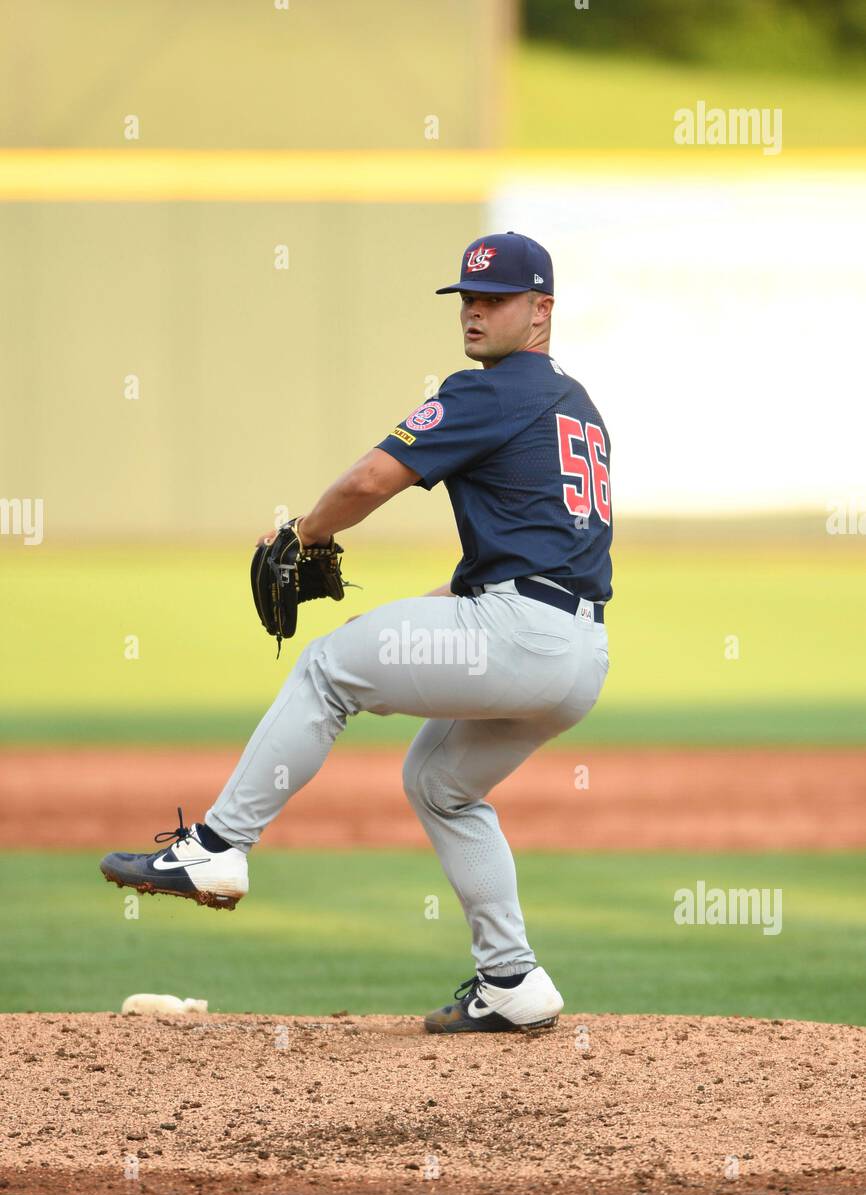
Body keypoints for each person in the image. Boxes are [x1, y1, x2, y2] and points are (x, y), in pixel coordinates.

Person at [101, 231, 613, 1034]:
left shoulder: (489, 392)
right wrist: (434, 611)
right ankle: (512, 979)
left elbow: (372, 478)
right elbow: (544, 545)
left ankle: (216, 846)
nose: (475, 312)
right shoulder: (577, 405)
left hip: (517, 634)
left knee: (325, 670)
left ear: (541, 310)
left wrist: (300, 535)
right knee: (441, 784)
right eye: (467, 298)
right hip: (577, 655)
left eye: (496, 299)